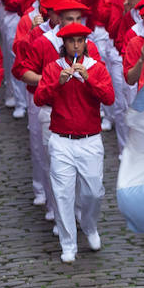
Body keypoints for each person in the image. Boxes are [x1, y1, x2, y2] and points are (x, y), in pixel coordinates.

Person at [34, 22, 116, 262]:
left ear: (86, 44)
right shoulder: (52, 69)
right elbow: (39, 98)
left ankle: (89, 225)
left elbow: (109, 98)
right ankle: (68, 243)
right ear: (64, 44)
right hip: (61, 140)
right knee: (63, 195)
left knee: (94, 192)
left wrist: (89, 80)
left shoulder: (97, 68)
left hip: (90, 140)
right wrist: (56, 83)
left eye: (80, 41)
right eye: (72, 41)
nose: (76, 45)